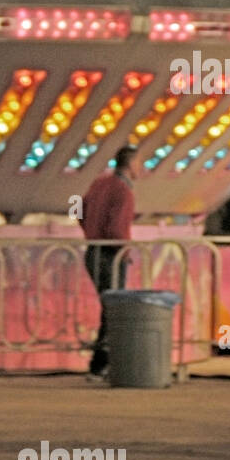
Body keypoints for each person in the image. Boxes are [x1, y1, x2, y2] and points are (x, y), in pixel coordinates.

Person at [80, 145, 137, 379]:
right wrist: (124, 249)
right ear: (131, 164)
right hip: (110, 255)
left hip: (93, 250)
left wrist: (87, 231)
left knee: (108, 307)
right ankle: (100, 364)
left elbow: (77, 206)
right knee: (114, 308)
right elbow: (117, 227)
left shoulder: (98, 183)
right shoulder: (124, 191)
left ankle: (101, 363)